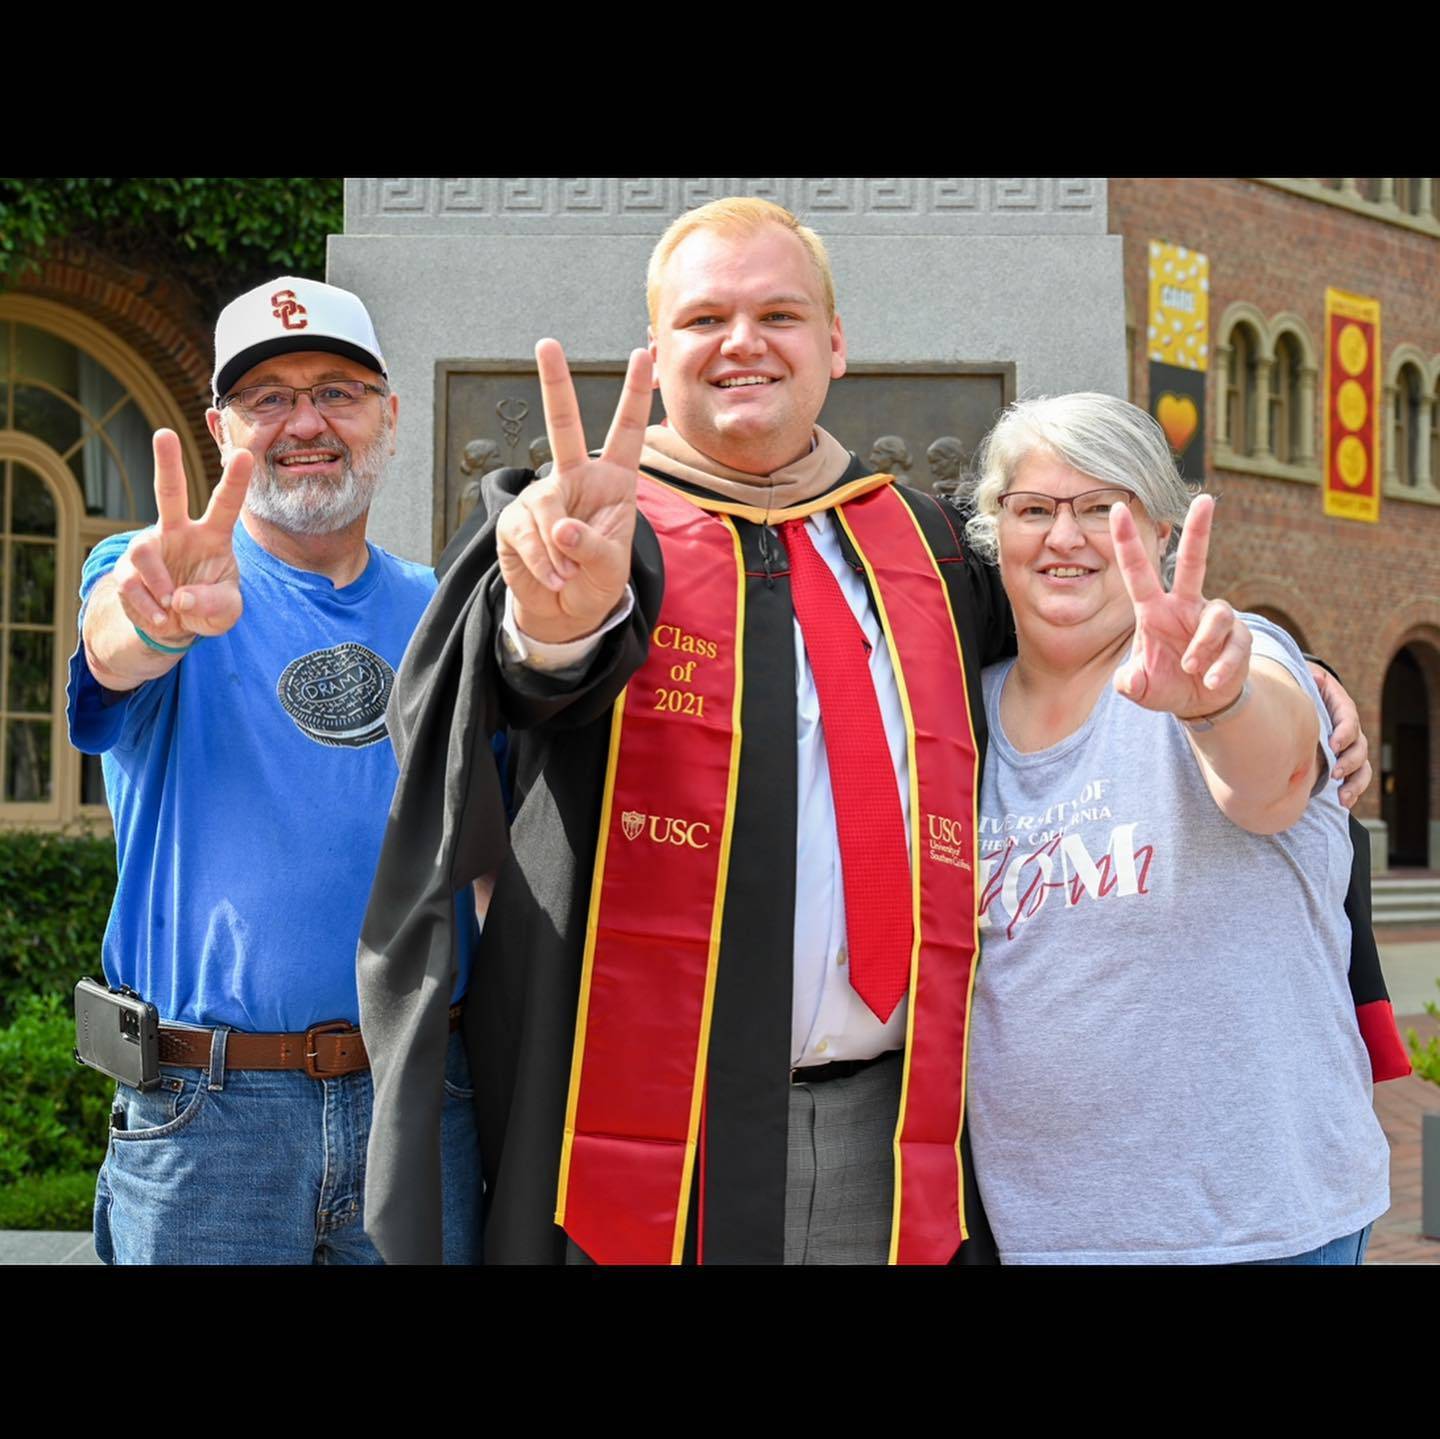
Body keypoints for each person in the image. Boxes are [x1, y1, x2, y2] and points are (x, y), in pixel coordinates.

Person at [358, 201, 1374, 1266]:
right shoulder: (582, 531)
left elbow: (1096, 621)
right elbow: (504, 694)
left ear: (835, 344)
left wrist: (1289, 679)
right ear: (658, 355)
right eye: (705, 318)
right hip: (647, 1138)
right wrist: (559, 629)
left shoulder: (928, 548)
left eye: (779, 314)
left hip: (894, 1136)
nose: (744, 341)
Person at [66, 276, 483, 1264]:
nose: (307, 422)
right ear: (222, 427)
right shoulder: (152, 568)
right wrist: (152, 627)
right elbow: (115, 647)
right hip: (210, 1119)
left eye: (337, 390)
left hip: (419, 1101)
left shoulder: (446, 611)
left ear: (387, 413)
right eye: (270, 399)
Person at [962, 392, 1393, 1263]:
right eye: (1034, 509)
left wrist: (1218, 703)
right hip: (1047, 1233)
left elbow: (1270, 783)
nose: (1065, 536)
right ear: (993, 531)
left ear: (1159, 531)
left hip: (1261, 1228)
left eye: (1101, 509)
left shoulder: (1239, 651)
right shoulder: (954, 715)